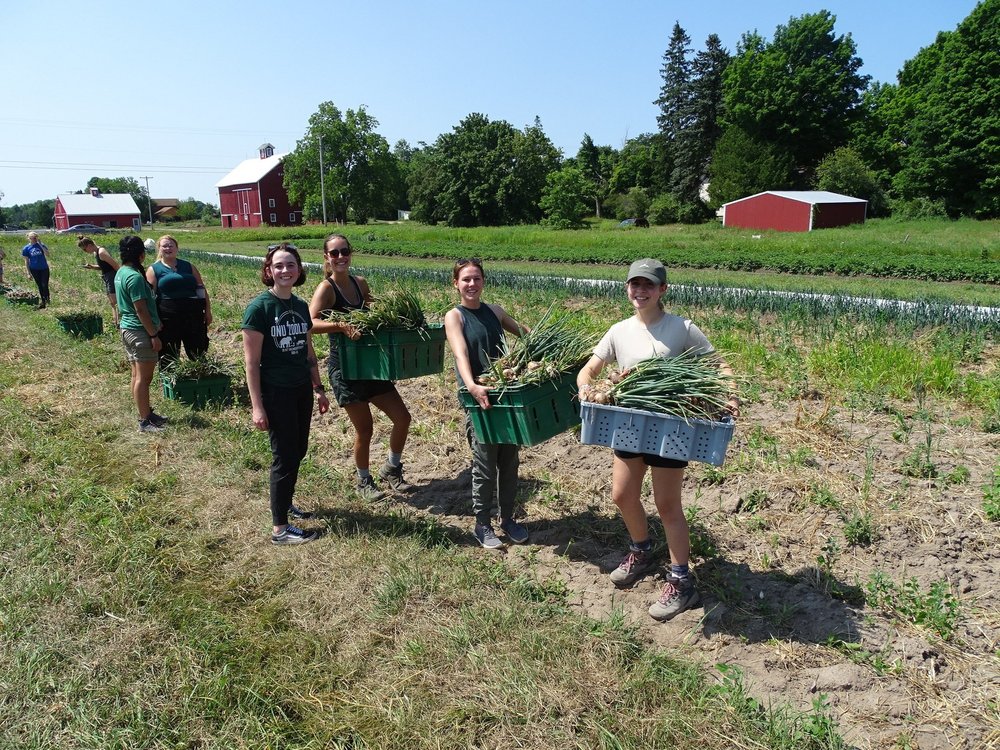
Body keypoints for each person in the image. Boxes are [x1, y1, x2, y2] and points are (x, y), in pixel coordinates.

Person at [577, 258, 741, 621]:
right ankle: (641, 547)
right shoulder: (618, 330)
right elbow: (590, 367)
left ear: (662, 290)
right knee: (621, 494)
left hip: (670, 429)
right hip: (629, 425)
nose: (640, 290)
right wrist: (586, 386)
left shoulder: (681, 328)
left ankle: (681, 579)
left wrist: (730, 395)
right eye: (635, 284)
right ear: (627, 288)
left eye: (649, 285)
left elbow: (719, 365)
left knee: (668, 506)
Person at [308, 233, 414, 499]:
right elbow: (309, 323)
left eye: (344, 251)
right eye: (334, 253)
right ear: (326, 258)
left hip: (371, 365)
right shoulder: (326, 289)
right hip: (345, 369)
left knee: (402, 418)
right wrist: (340, 326)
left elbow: (372, 311)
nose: (341, 257)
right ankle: (363, 482)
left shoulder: (360, 284)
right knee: (365, 429)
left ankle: (391, 468)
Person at [243, 243, 330, 546]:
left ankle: (285, 502)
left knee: (299, 450)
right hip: (276, 391)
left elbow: (309, 353)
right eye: (278, 266)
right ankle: (280, 529)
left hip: (300, 389)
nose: (284, 270)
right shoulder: (259, 309)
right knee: (284, 456)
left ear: (299, 270)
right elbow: (251, 364)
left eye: (290, 265)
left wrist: (318, 388)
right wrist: (257, 407)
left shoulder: (301, 306)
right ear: (268, 271)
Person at [444, 258, 530, 549]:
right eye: (466, 279)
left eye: (476, 279)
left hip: (506, 396)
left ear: (483, 282)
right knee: (484, 463)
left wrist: (545, 343)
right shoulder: (454, 316)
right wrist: (472, 386)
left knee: (509, 461)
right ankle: (482, 523)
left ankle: (508, 519)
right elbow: (460, 355)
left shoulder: (495, 311)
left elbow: (525, 333)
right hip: (478, 398)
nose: (471, 284)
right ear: (456, 283)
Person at [115, 235, 169, 434]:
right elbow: (141, 309)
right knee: (144, 379)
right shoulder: (135, 277)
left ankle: (144, 412)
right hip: (139, 331)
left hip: (127, 329)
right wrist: (153, 335)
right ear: (141, 254)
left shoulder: (121, 272)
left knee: (136, 375)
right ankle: (145, 420)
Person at [145, 235, 212, 365]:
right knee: (169, 352)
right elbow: (150, 298)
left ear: (177, 248)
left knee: (197, 349)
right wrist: (155, 319)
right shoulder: (154, 269)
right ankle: (171, 379)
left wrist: (207, 311)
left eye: (171, 245)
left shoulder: (188, 266)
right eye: (164, 246)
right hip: (168, 317)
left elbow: (201, 290)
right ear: (159, 249)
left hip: (193, 314)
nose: (168, 248)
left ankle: (199, 375)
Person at [78, 235, 121, 324]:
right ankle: (115, 321)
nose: (85, 252)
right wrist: (92, 267)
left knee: (115, 302)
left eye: (85, 249)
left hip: (112, 276)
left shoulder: (101, 252)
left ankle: (119, 322)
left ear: (89, 246)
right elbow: (104, 267)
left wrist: (122, 276)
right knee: (112, 303)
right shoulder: (96, 253)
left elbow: (115, 265)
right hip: (107, 277)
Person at [22, 231, 51, 308]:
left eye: (35, 238)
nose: (34, 239)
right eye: (31, 238)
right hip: (34, 269)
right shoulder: (26, 248)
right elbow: (26, 261)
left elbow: (48, 254)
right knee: (40, 285)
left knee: (45, 284)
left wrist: (41, 244)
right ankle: (43, 301)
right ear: (28, 238)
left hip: (44, 268)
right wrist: (28, 273)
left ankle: (47, 299)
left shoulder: (41, 245)